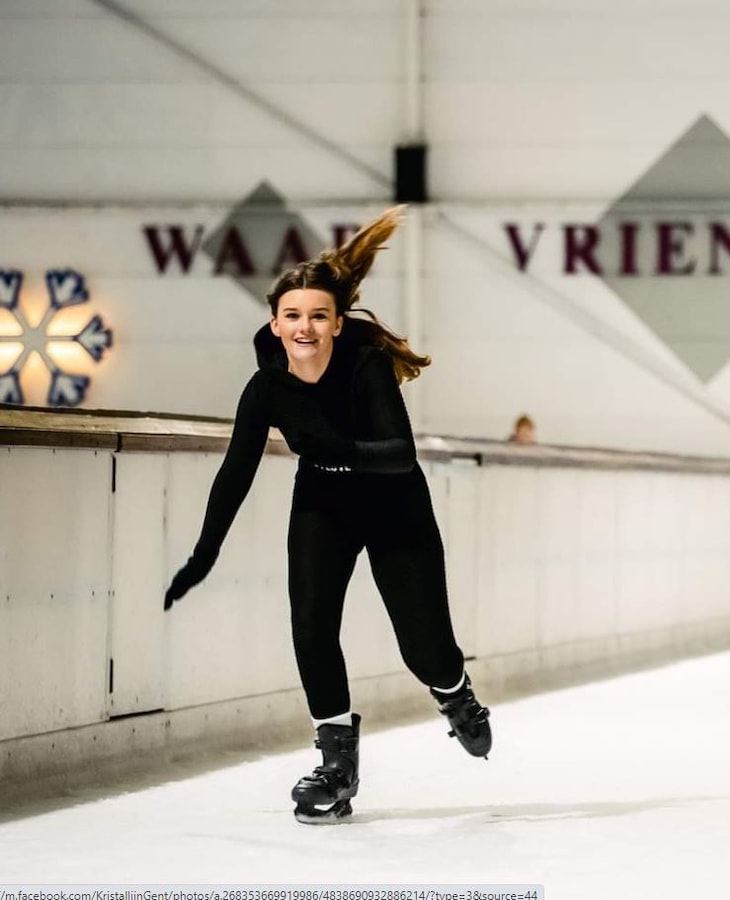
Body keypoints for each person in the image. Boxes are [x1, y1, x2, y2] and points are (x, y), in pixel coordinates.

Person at [163, 207, 493, 824]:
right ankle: (337, 764)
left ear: (338, 324)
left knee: (424, 649)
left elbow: (400, 454)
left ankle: (455, 695)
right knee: (312, 626)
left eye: (318, 315)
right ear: (275, 323)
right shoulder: (265, 388)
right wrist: (203, 554)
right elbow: (234, 473)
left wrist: (337, 450)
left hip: (395, 505)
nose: (305, 327)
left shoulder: (364, 368)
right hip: (323, 503)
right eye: (293, 316)